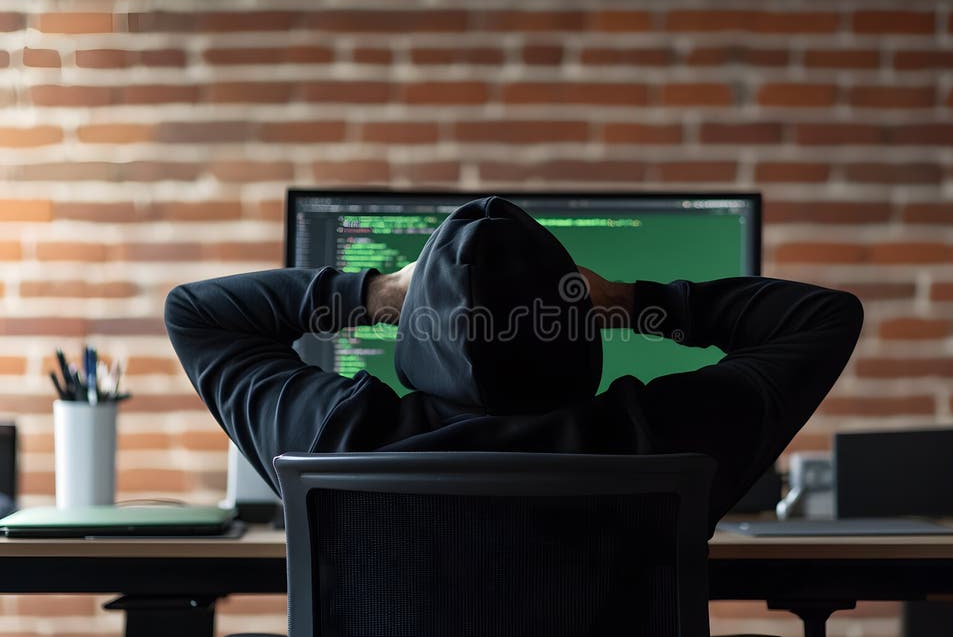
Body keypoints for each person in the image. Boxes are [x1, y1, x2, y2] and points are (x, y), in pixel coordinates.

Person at [165, 197, 863, 530]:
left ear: (413, 327)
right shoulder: (658, 436)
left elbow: (196, 312)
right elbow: (823, 317)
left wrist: (372, 291)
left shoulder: (338, 434)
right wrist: (631, 297)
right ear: (582, 324)